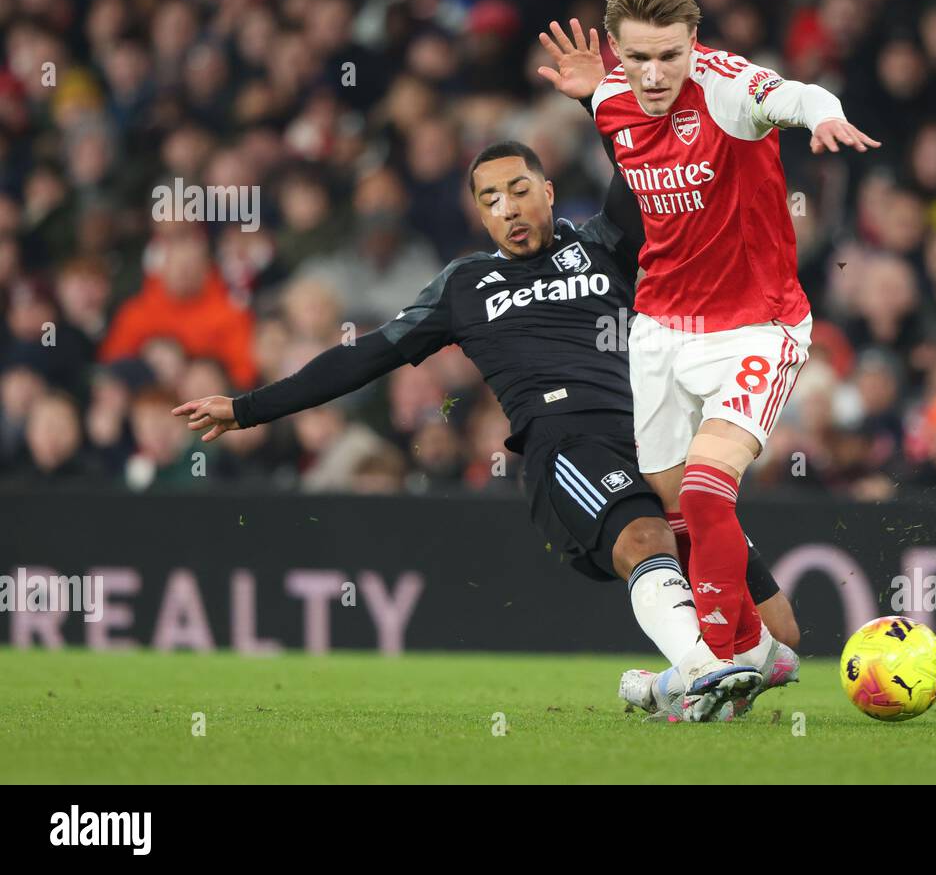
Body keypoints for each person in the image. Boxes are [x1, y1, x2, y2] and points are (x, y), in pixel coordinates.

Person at [173, 142, 798, 723]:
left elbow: (641, 166)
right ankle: (698, 671)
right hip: (563, 446)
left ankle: (663, 686)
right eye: (490, 200)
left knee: (780, 640)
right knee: (646, 537)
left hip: (658, 442)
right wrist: (248, 407)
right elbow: (361, 356)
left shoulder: (605, 244)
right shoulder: (466, 286)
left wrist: (593, 96)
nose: (508, 209)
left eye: (519, 190)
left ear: (549, 191)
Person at [537, 0, 878, 719]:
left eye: (669, 55)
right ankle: (761, 656)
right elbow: (611, 98)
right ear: (618, 53)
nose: (654, 76)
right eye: (637, 59)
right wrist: (597, 86)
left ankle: (714, 670)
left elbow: (796, 95)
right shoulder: (613, 97)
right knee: (675, 510)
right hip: (659, 329)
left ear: (695, 42)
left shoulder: (727, 87)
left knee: (704, 486)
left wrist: (826, 115)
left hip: (758, 324)